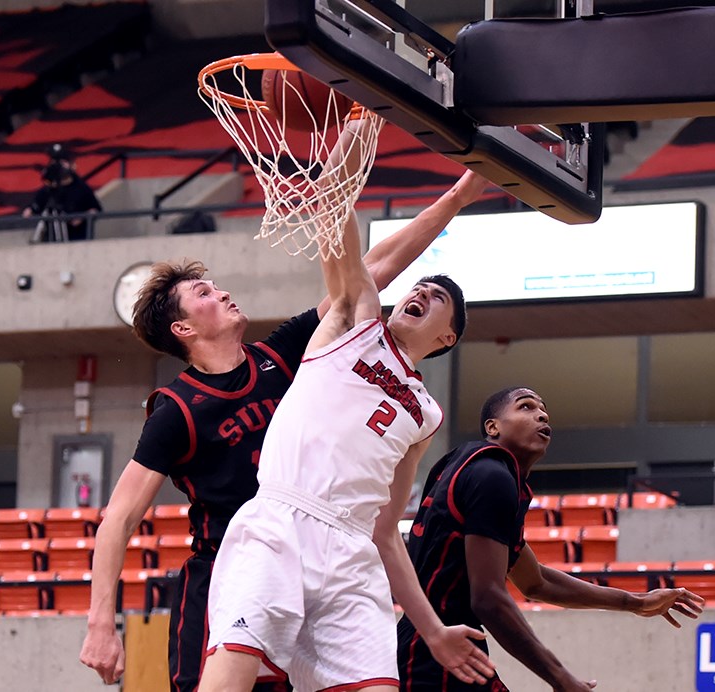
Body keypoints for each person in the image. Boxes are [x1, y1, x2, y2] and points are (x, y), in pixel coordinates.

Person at [80, 167, 490, 690]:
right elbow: (119, 517)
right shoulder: (178, 409)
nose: (223, 293)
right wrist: (100, 621)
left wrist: (456, 198)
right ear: (182, 329)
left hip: (323, 552)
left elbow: (371, 270)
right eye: (205, 292)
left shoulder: (282, 354)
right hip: (235, 557)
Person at [198, 118, 493, 692]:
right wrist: (358, 126)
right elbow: (337, 218)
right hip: (280, 522)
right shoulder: (350, 325)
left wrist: (431, 630)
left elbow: (387, 531)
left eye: (437, 301)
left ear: (448, 338)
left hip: (354, 554)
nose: (421, 294)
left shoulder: (425, 414)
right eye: (418, 289)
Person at [398, 387, 707, 691]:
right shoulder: (492, 476)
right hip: (435, 650)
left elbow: (536, 582)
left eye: (543, 409)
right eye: (526, 406)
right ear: (493, 427)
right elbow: (489, 598)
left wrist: (636, 602)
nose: (542, 415)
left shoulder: (475, 468)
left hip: (442, 645)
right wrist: (560, 678)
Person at [23, 160, 102, 242]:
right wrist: (30, 210)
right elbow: (36, 205)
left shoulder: (81, 188)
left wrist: (82, 217)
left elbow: (96, 209)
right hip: (52, 239)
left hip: (77, 238)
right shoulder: (48, 190)